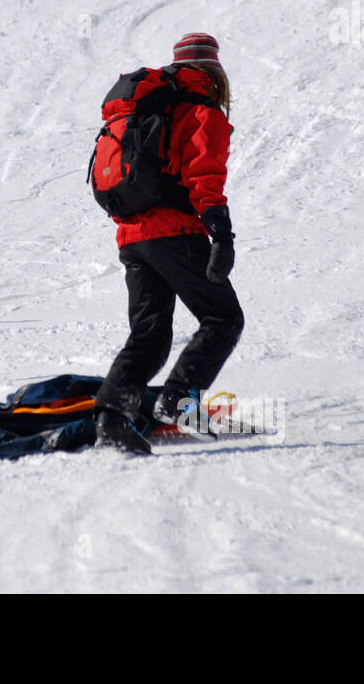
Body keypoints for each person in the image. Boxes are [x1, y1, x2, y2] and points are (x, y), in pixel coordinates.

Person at [93, 32, 245, 453]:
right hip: (175, 233)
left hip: (131, 237)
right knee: (223, 319)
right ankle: (179, 399)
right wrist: (222, 233)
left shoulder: (143, 109)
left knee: (149, 336)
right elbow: (204, 174)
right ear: (213, 71)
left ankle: (112, 422)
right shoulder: (201, 110)